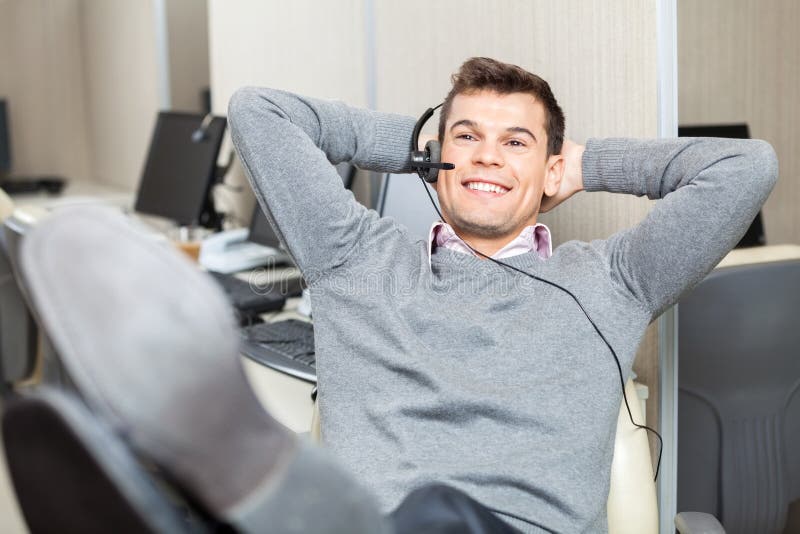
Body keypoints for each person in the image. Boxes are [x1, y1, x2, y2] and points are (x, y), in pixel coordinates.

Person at [20, 57, 776, 534]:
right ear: (433, 158)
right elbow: (261, 111)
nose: (485, 156)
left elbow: (746, 168)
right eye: (466, 138)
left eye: (516, 142)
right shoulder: (354, 255)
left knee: (432, 520)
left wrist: (587, 162)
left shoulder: (614, 279)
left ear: (552, 171)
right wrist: (424, 145)